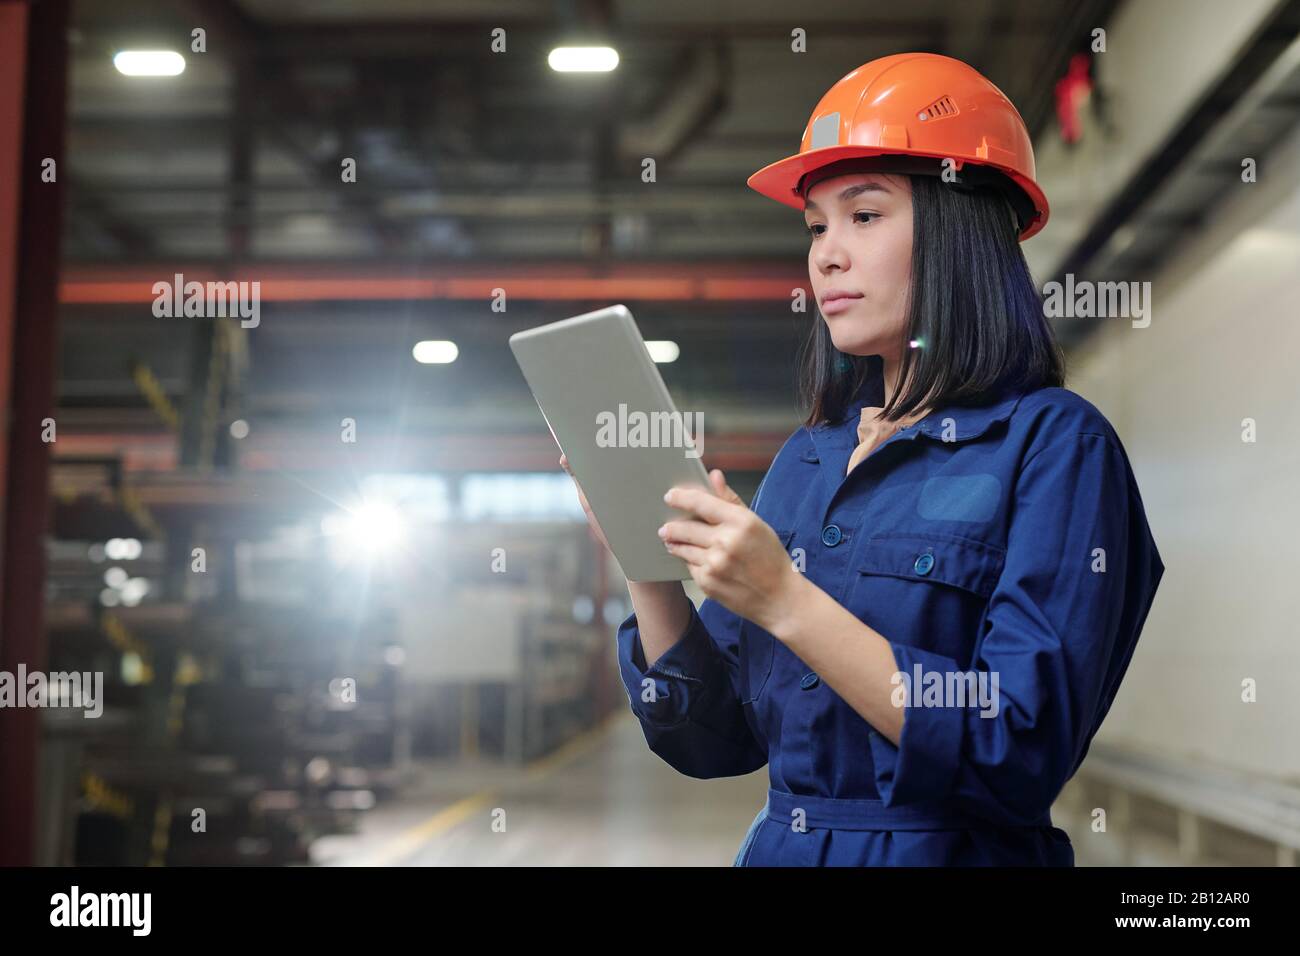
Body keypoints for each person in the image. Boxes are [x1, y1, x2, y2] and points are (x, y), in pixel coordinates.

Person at [563, 52, 1164, 866]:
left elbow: (1020, 746)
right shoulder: (809, 460)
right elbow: (715, 742)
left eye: (865, 216)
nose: (826, 255)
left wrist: (787, 601)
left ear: (959, 234)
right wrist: (645, 556)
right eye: (816, 226)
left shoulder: (1055, 447)